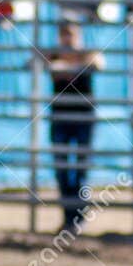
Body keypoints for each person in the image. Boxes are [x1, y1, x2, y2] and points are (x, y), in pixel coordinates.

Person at [40, 19, 103, 232]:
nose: (68, 38)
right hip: (60, 118)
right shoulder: (54, 54)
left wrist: (67, 67)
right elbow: (40, 61)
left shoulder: (87, 53)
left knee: (81, 169)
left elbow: (98, 63)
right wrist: (65, 66)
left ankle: (78, 216)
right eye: (64, 33)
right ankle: (69, 217)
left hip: (84, 118)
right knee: (62, 170)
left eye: (71, 33)